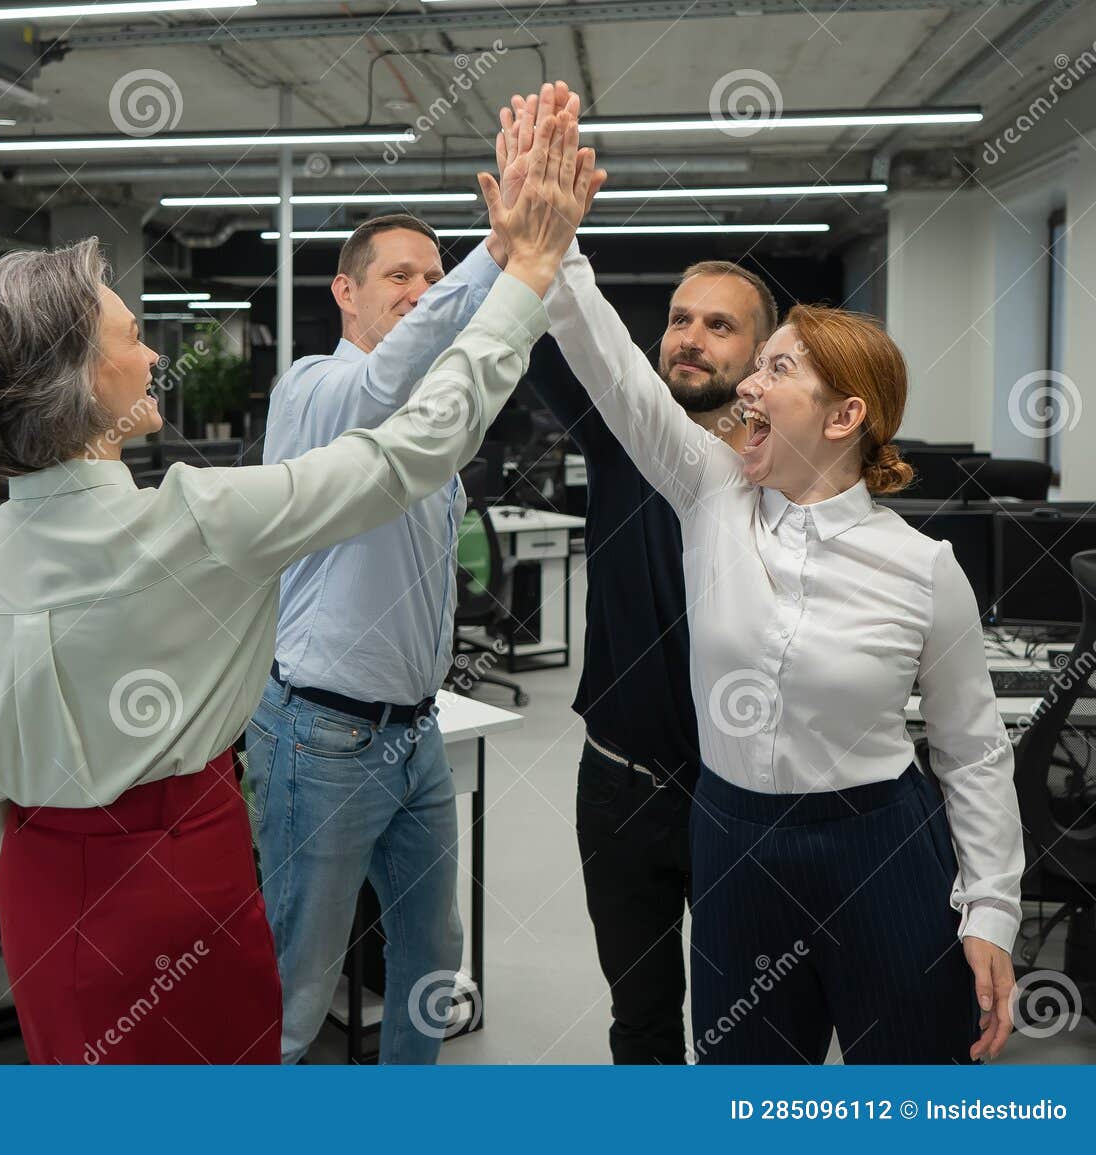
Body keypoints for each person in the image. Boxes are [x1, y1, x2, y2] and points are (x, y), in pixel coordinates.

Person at [0, 103, 581, 1065]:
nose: (155, 353)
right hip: (180, 886)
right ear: (83, 381)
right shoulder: (191, 520)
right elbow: (409, 450)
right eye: (132, 336)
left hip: (41, 907)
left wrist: (35, 910)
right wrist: (523, 275)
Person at [533, 81, 1023, 1063]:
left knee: (909, 1091)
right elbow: (620, 378)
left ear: (844, 416)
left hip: (878, 846)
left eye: (777, 369)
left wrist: (992, 908)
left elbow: (972, 750)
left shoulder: (923, 569)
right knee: (746, 1092)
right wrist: (557, 247)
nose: (748, 384)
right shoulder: (711, 495)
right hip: (734, 844)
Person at [246, 205, 519, 1065]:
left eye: (434, 277)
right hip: (321, 733)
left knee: (433, 954)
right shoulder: (315, 390)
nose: (422, 292)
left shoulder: (430, 427)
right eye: (400, 276)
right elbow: (385, 380)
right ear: (345, 291)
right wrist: (497, 254)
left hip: (414, 734)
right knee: (298, 987)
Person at [526, 253, 776, 1063]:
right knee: (641, 1022)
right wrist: (537, 242)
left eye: (719, 324)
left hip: (742, 796)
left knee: (747, 1025)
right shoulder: (622, 432)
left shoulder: (787, 475)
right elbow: (550, 326)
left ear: (764, 355)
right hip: (621, 788)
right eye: (678, 320)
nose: (690, 338)